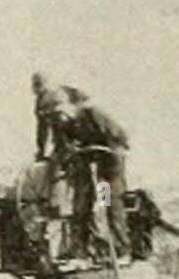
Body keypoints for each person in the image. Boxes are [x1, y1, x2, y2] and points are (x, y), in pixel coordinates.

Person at [55, 95, 131, 262]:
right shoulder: (69, 123)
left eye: (62, 110)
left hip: (110, 167)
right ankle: (82, 250)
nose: (60, 116)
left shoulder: (93, 114)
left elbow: (121, 136)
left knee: (111, 204)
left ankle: (121, 250)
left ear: (72, 104)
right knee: (87, 205)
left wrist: (111, 152)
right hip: (94, 168)